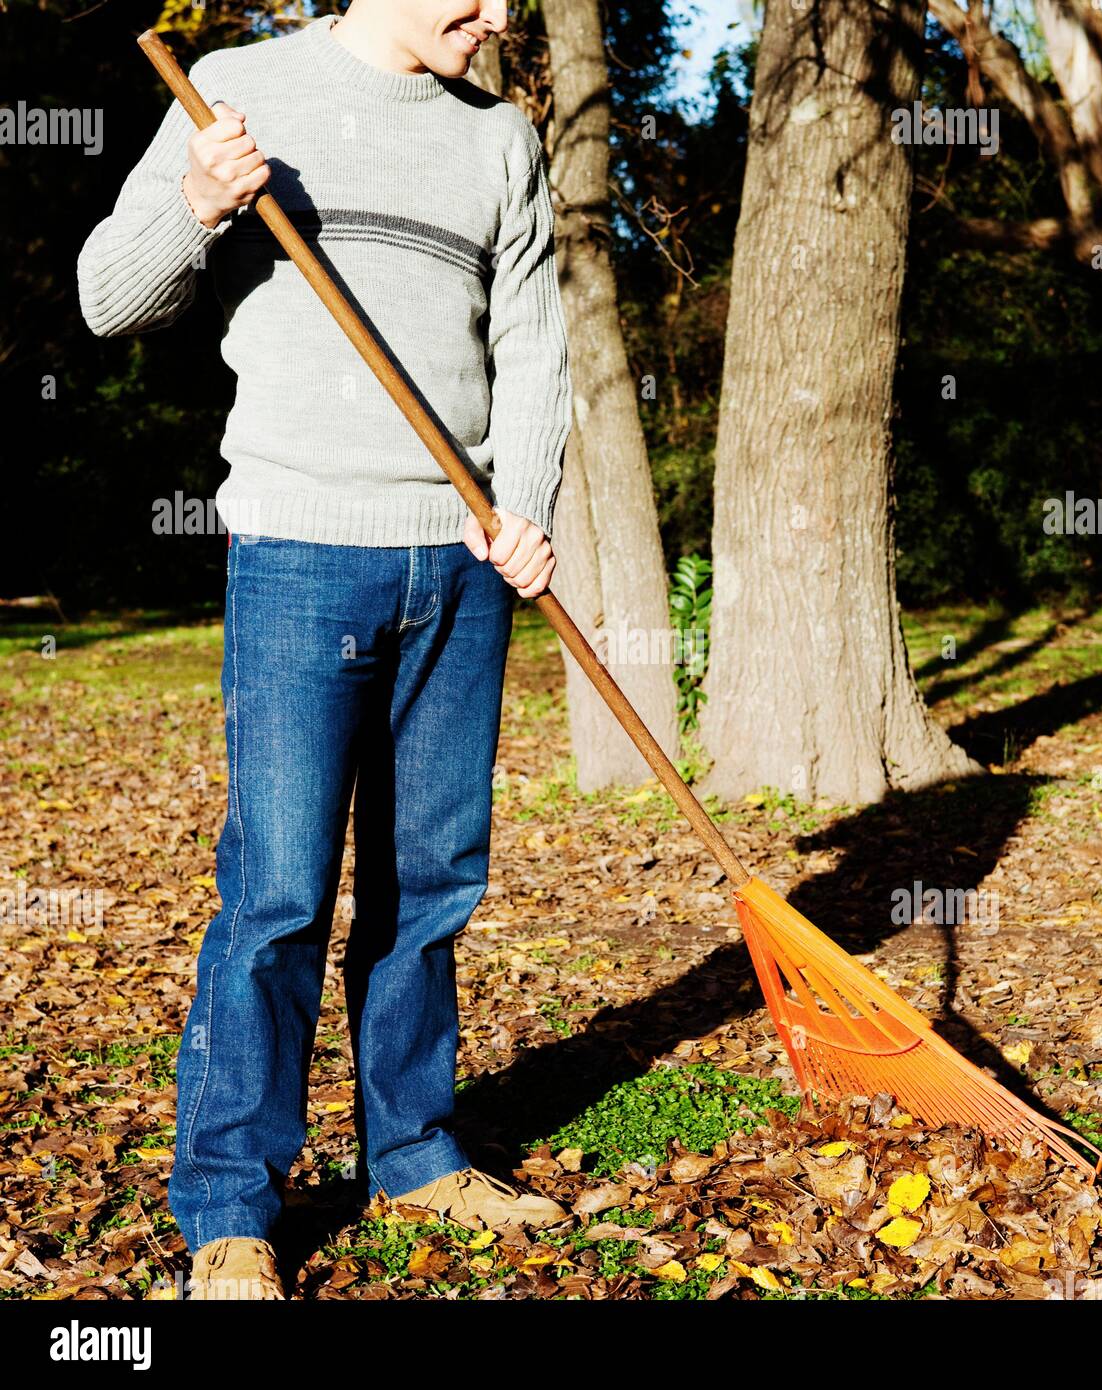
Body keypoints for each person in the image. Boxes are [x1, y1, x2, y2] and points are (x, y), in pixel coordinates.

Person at [77, 0, 572, 1300]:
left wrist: (528, 502)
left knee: (431, 886)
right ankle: (232, 1204)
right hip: (300, 550)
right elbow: (105, 300)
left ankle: (413, 1151)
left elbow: (530, 343)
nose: (498, 13)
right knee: (281, 893)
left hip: (461, 561)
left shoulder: (501, 140)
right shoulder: (242, 90)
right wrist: (195, 199)